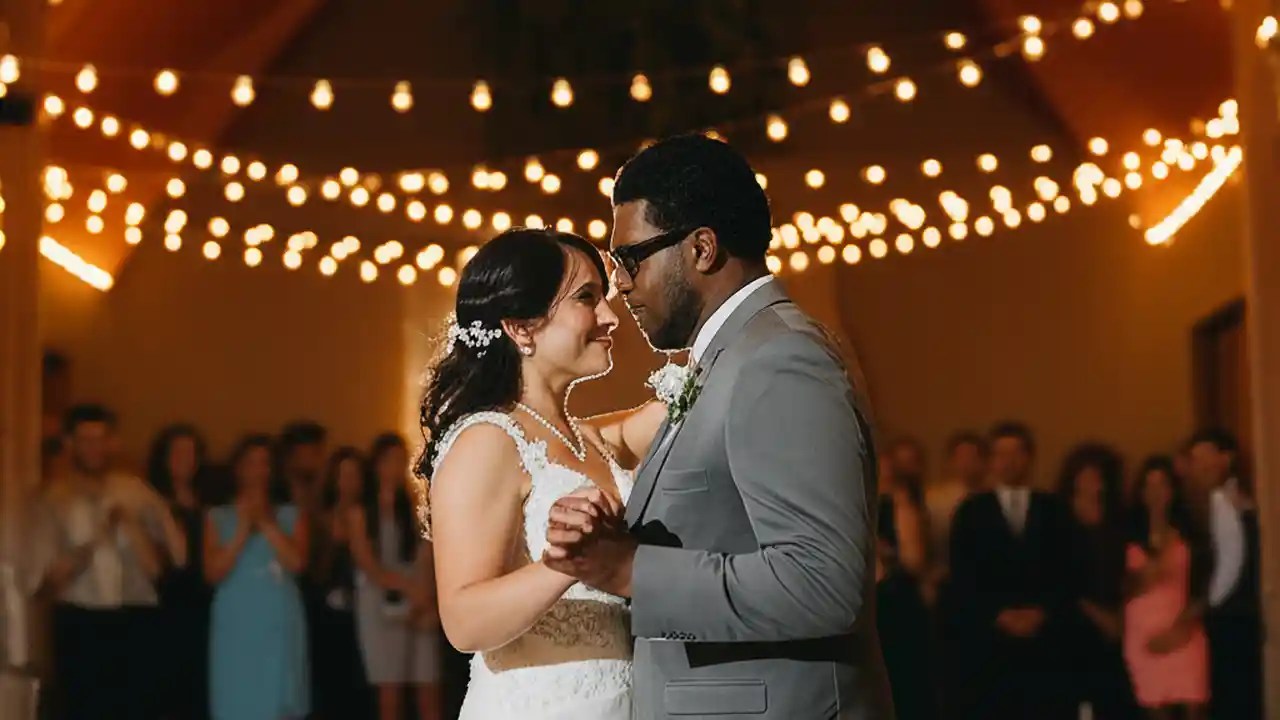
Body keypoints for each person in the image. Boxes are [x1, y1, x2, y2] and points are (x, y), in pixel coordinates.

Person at [545, 134, 893, 719]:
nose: (620, 284)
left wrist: (629, 569)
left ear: (702, 248)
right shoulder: (733, 358)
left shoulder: (779, 360)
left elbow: (824, 583)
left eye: (630, 259)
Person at [419, 226, 666, 719]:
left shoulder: (590, 437)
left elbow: (676, 410)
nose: (610, 316)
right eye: (587, 298)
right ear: (521, 328)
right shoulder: (487, 440)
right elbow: (464, 622)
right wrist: (563, 563)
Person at [41, 404, 184, 720]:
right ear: (70, 444)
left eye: (101, 439)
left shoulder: (135, 490)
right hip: (80, 621)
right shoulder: (55, 498)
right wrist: (94, 540)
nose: (95, 448)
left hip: (134, 616)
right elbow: (50, 579)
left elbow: (172, 558)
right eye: (86, 440)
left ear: (113, 443)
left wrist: (133, 524)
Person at [948, 422, 1073, 720]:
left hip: (1047, 640)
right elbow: (962, 573)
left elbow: (1068, 568)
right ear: (990, 460)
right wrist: (997, 613)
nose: (1008, 461)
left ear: (1030, 457)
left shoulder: (1054, 508)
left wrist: (1041, 611)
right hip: (989, 641)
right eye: (1000, 454)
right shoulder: (972, 510)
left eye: (1016, 453)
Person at [206, 434, 310, 720]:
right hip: (236, 621)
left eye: (265, 463)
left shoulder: (291, 515)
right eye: (250, 463)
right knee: (237, 697)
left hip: (278, 617)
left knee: (279, 698)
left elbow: (297, 563)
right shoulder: (217, 517)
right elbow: (213, 572)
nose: (258, 470)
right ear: (238, 468)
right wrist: (243, 526)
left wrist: (265, 522)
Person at [354, 433, 439, 720]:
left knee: (428, 684)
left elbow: (426, 553)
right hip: (381, 603)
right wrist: (408, 589)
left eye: (401, 460)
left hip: (418, 600)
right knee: (390, 691)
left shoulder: (413, 506)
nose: (395, 466)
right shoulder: (361, 511)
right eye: (389, 460)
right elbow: (369, 566)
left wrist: (424, 597)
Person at [1122, 456, 1209, 720]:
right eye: (1149, 486)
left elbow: (1204, 589)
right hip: (1145, 636)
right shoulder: (1126, 535)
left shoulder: (1191, 534)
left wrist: (1182, 628)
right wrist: (1161, 553)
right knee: (1156, 709)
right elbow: (1125, 588)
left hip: (1183, 630)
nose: (1156, 492)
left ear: (1173, 490)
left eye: (1162, 485)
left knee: (1194, 707)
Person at [1057, 444, 1137, 720]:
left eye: (1098, 476)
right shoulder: (1059, 517)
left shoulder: (1118, 517)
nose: (1094, 483)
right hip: (1074, 622)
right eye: (1087, 476)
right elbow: (1059, 577)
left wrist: (1121, 611)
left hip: (1116, 619)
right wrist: (1098, 615)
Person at [1186, 430, 1261, 720]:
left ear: (1226, 458)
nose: (1199, 466)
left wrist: (1209, 605)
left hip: (1229, 615)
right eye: (1195, 459)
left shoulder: (1222, 500)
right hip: (1242, 613)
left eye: (1205, 457)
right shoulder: (1238, 499)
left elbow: (1230, 562)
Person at [147, 423, 214, 720]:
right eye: (177, 452)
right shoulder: (152, 500)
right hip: (166, 604)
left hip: (204, 603)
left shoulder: (209, 501)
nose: (185, 459)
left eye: (191, 452)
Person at [311, 447, 373, 719]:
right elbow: (314, 571)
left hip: (367, 610)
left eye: (354, 475)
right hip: (326, 614)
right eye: (343, 475)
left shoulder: (372, 517)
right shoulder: (319, 518)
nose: (349, 482)